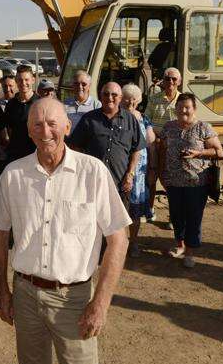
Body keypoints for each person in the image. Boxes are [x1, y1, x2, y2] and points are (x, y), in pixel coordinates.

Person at [0, 98, 131, 364]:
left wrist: (101, 302)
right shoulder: (13, 175)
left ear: (67, 127)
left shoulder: (92, 172)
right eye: (37, 124)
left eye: (53, 123)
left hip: (74, 300)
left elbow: (119, 238)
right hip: (26, 296)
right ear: (28, 131)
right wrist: (3, 289)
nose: (45, 131)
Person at [159, 93, 223, 268]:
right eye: (180, 107)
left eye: (187, 107)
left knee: (193, 218)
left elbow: (219, 151)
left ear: (194, 109)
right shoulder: (168, 127)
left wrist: (199, 153)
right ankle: (180, 245)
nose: (183, 111)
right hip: (173, 181)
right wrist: (161, 172)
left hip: (196, 183)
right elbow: (163, 150)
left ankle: (190, 253)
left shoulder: (203, 127)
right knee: (177, 216)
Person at [69, 82, 146, 199]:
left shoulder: (130, 120)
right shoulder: (89, 119)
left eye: (114, 95)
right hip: (93, 182)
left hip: (121, 183)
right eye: (106, 94)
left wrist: (130, 174)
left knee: (120, 217)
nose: (110, 98)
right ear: (100, 96)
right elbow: (75, 147)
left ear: (120, 98)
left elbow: (137, 149)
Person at [120, 83, 155, 258]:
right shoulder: (116, 117)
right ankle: (117, 244)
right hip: (119, 170)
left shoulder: (145, 119)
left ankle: (133, 243)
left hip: (139, 173)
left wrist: (152, 168)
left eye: (133, 98)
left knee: (134, 212)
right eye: (126, 98)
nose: (130, 102)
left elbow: (151, 145)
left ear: (138, 100)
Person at [146, 67, 182, 222]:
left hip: (173, 146)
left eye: (174, 79)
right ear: (163, 81)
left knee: (171, 182)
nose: (170, 82)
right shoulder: (154, 99)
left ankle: (174, 216)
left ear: (179, 82)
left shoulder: (183, 101)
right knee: (151, 177)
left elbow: (187, 124)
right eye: (167, 78)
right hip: (155, 143)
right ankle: (149, 210)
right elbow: (146, 120)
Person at [0, 65, 39, 166]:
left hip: (36, 155)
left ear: (33, 80)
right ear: (16, 81)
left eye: (27, 80)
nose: (23, 83)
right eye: (20, 80)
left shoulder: (41, 103)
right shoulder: (11, 104)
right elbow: (6, 127)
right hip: (15, 156)